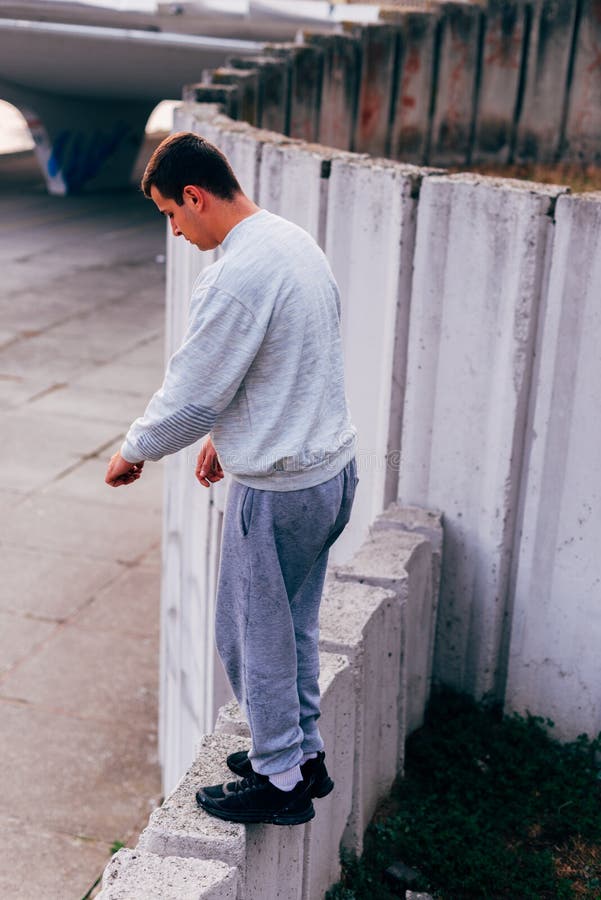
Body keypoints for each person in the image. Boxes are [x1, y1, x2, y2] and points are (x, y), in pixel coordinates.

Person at [104, 131, 357, 826]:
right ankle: (303, 755)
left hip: (279, 492)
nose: (176, 230)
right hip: (330, 475)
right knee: (293, 626)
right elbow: (292, 358)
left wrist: (136, 450)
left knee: (251, 635)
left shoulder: (236, 274)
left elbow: (193, 391)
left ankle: (279, 782)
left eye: (169, 215)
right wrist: (228, 435)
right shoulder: (291, 241)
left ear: (194, 195)